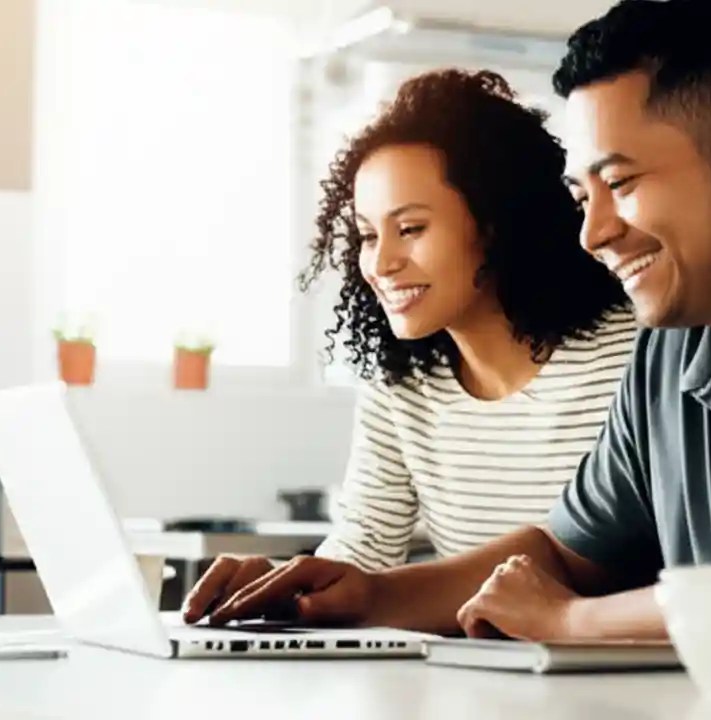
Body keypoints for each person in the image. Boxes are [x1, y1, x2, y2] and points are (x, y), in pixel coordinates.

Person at [189, 0, 711, 665]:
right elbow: (562, 555)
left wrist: (575, 624)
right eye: (581, 195)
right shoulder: (675, 350)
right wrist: (367, 596)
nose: (593, 232)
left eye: (623, 180)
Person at [181, 69, 637, 623]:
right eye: (368, 236)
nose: (381, 263)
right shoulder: (402, 385)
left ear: (496, 224)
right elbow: (363, 553)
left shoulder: (634, 354)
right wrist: (283, 587)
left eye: (411, 228)